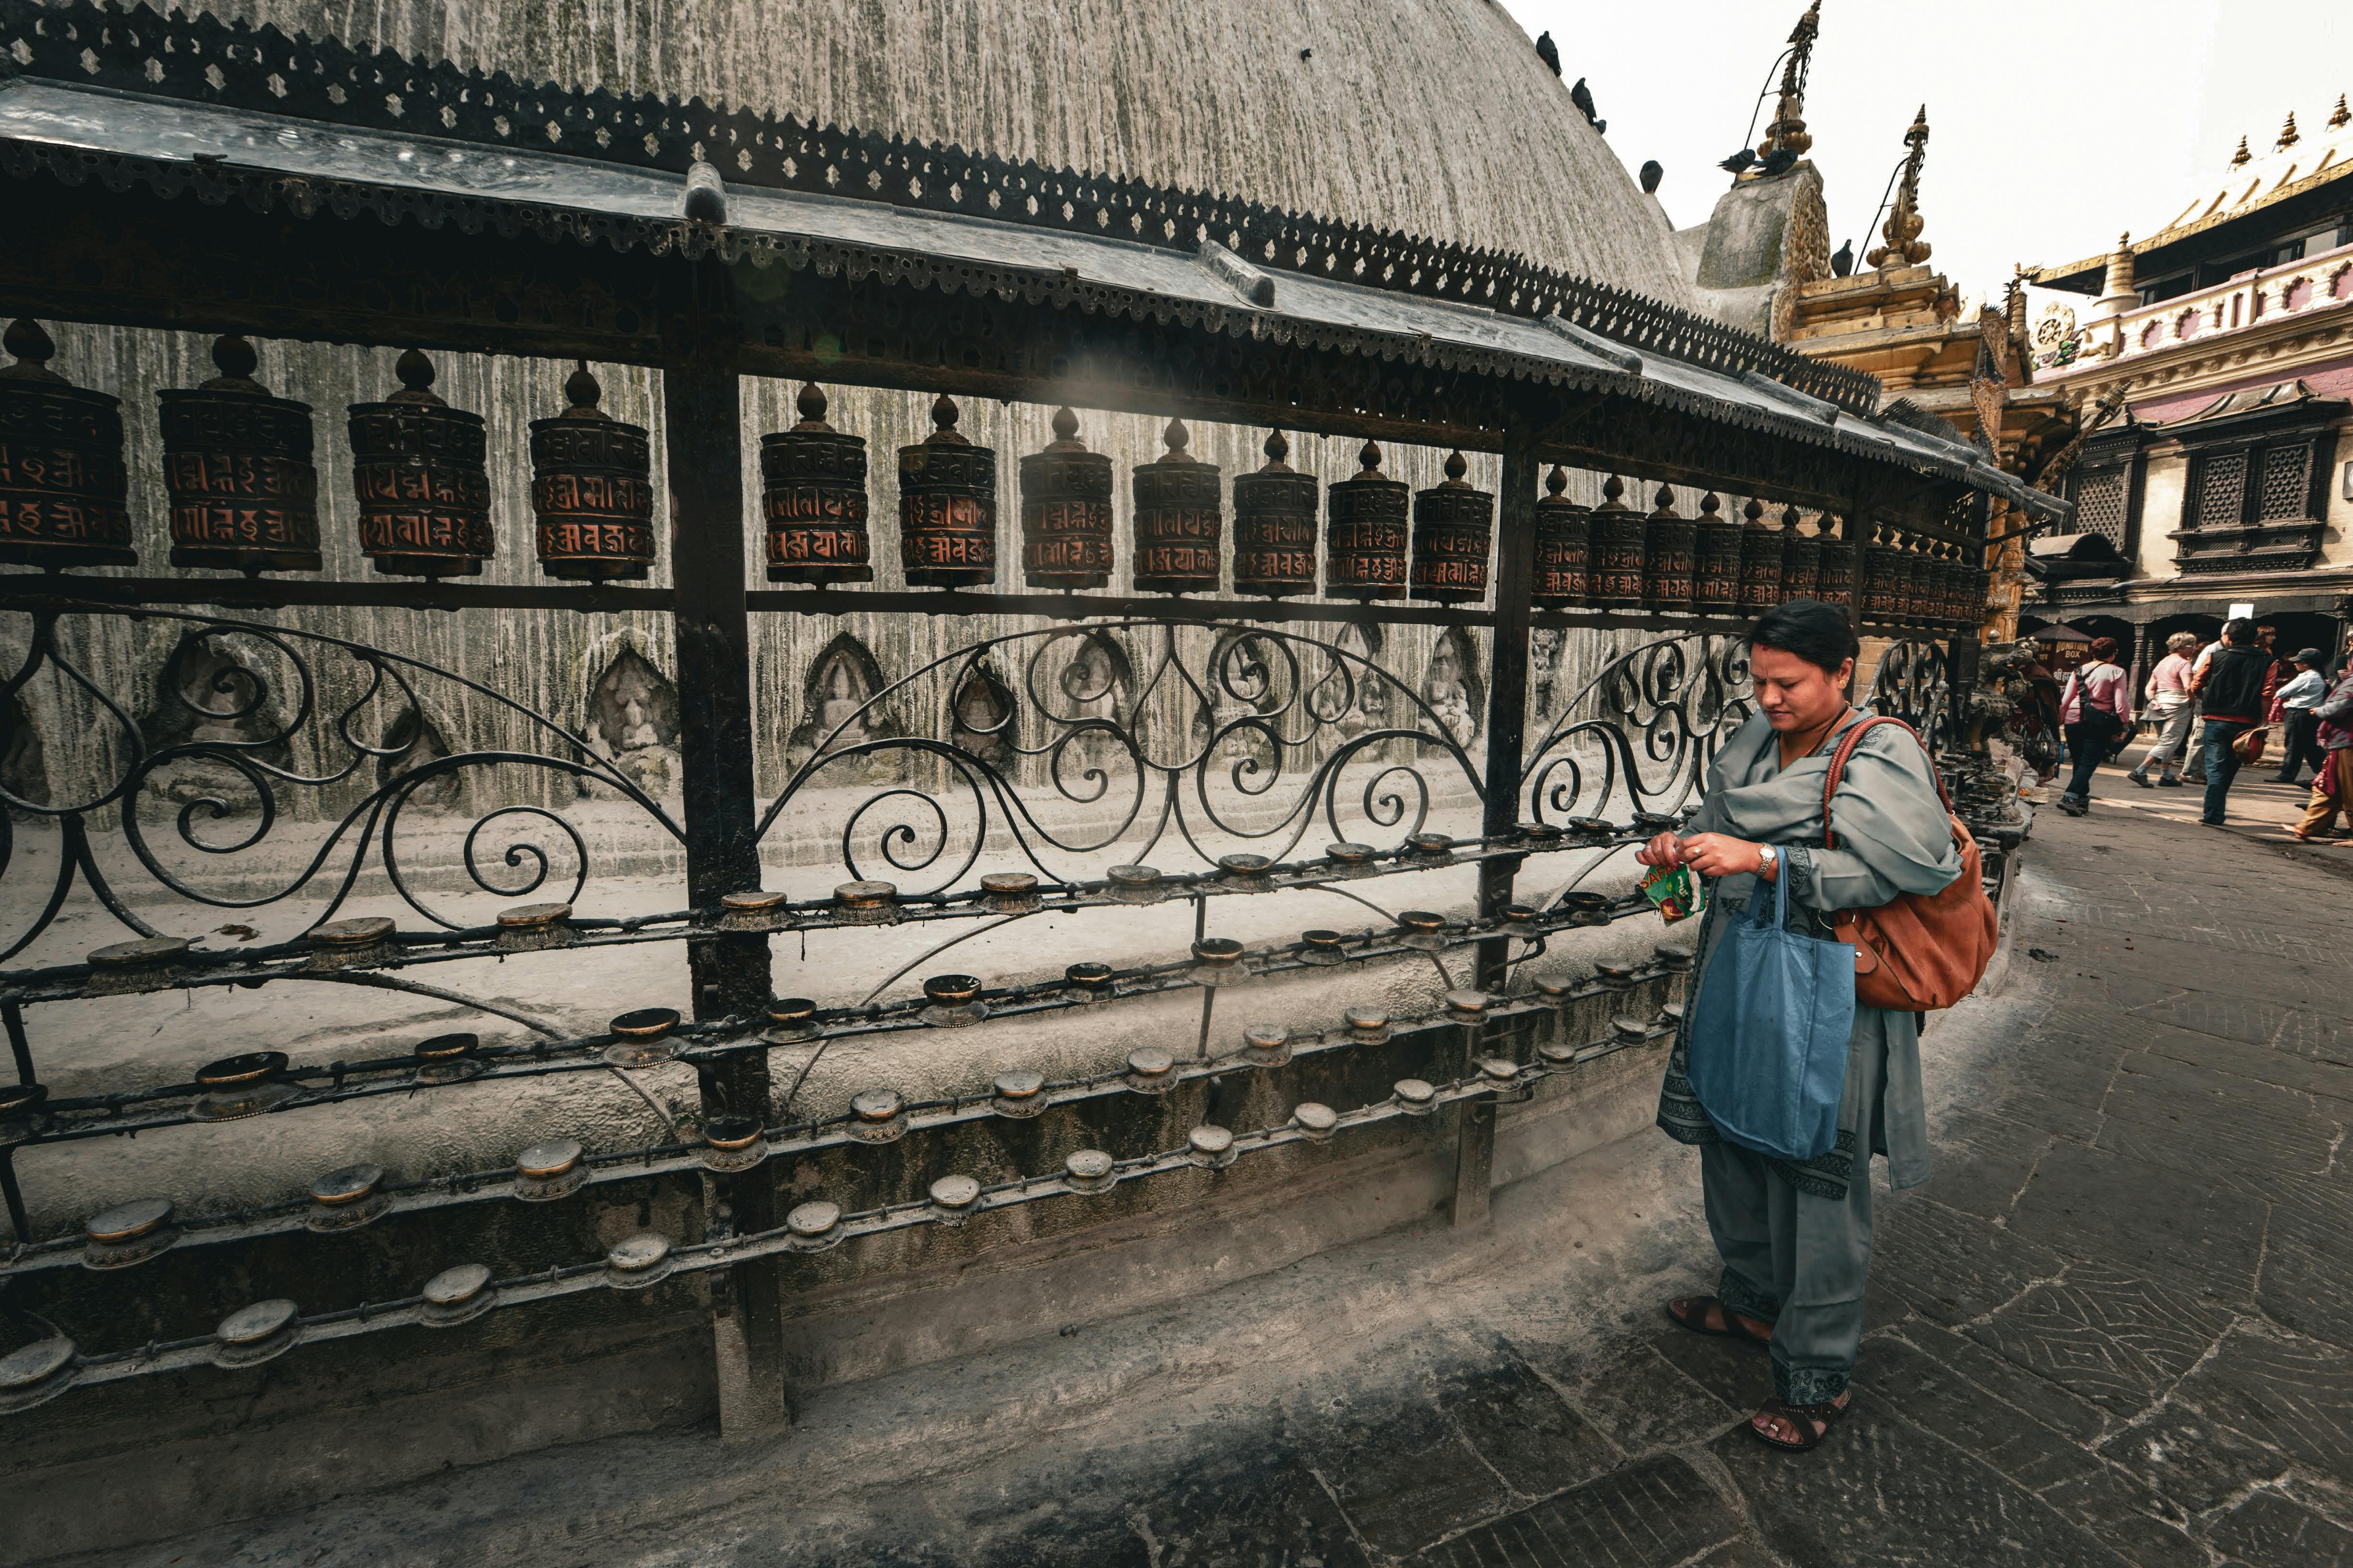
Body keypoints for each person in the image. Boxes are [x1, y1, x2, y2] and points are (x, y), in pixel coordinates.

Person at [1642, 600, 1963, 1453]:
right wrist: (1686, 847)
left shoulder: (1880, 750)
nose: (1769, 696)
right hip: (1744, 968)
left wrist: (1773, 859)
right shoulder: (1753, 743)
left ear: (1840, 672)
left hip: (1832, 988)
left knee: (1818, 1175)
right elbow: (1725, 828)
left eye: (1787, 681)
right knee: (1734, 1143)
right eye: (1758, 679)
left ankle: (1817, 1370)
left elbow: (1910, 870)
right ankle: (1751, 1302)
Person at [2188, 617, 2271, 826]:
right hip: (2247, 722)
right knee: (2231, 769)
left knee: (2215, 769)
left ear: (2230, 636)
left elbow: (2196, 684)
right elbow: (2267, 693)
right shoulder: (2268, 660)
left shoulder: (2215, 657)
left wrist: (2202, 697)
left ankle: (2214, 813)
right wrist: (2264, 721)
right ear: (2254, 637)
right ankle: (2215, 809)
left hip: (2216, 719)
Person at [2057, 637, 2130, 815]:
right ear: (2113, 654)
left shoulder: (2079, 670)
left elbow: (2066, 699)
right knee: (2088, 762)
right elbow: (2121, 704)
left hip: (2074, 719)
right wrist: (2125, 726)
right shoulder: (2117, 672)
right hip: (2100, 721)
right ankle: (2070, 797)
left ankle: (2082, 800)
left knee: (2079, 761)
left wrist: (2059, 719)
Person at [2127, 631, 2201, 788]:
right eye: (2191, 646)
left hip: (2160, 704)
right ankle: (2141, 770)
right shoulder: (2184, 664)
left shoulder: (2162, 663)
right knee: (2170, 741)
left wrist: (2153, 701)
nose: (2193, 649)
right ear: (2180, 648)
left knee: (2165, 740)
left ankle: (2166, 774)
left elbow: (2149, 688)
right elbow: (2188, 687)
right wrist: (2192, 701)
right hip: (2178, 704)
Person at [2289, 664, 2353, 841]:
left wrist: (2319, 710)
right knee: (2327, 788)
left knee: (2347, 791)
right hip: (2342, 743)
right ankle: (2306, 828)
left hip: (2348, 743)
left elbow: (2337, 708)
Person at [2269, 648, 2328, 786]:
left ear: (2307, 664)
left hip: (2298, 713)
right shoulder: (2319, 676)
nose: (2295, 664)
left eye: (2299, 662)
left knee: (2294, 744)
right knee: (2310, 747)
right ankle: (2324, 773)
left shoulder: (2308, 676)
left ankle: (2287, 774)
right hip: (2309, 715)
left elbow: (2283, 692)